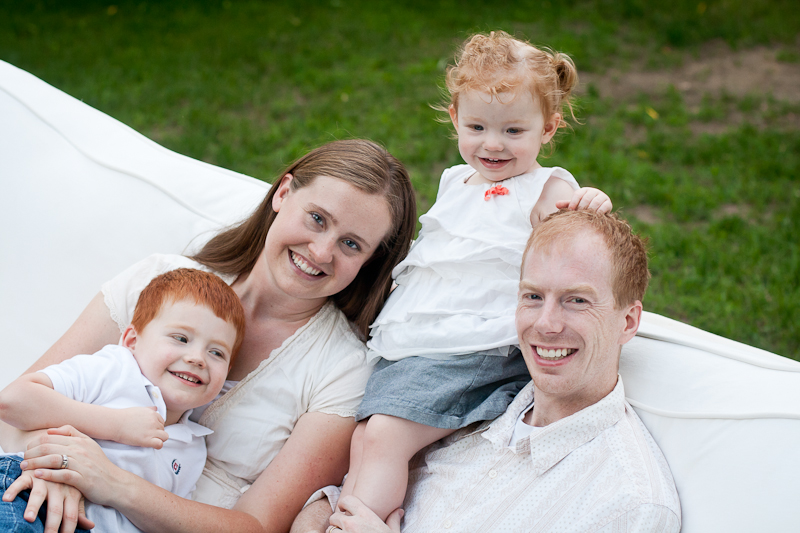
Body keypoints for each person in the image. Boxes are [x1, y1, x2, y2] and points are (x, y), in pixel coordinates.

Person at [6, 139, 417, 533]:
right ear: (284, 193)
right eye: (317, 219)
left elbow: (256, 526)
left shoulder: (342, 369)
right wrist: (59, 468)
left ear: (369, 260)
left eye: (350, 244)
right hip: (35, 496)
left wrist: (109, 482)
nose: (322, 251)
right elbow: (13, 411)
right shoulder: (158, 279)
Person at [334, 31, 613, 523]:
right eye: (478, 126)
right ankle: (349, 514)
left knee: (383, 436)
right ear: (454, 119)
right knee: (362, 437)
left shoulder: (547, 185)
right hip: (422, 341)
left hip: (478, 345)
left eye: (513, 131)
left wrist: (586, 202)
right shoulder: (453, 180)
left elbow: (570, 221)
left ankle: (366, 522)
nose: (492, 144)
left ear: (547, 129)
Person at [316, 209, 681, 532]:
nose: (547, 324)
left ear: (628, 321)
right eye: (533, 296)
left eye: (577, 301)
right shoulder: (462, 403)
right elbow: (330, 506)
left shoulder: (627, 505)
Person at [0, 268, 246, 533]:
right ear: (131, 340)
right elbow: (13, 401)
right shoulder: (115, 370)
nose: (197, 358)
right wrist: (115, 425)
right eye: (181, 338)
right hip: (29, 498)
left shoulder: (193, 450)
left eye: (216, 353)